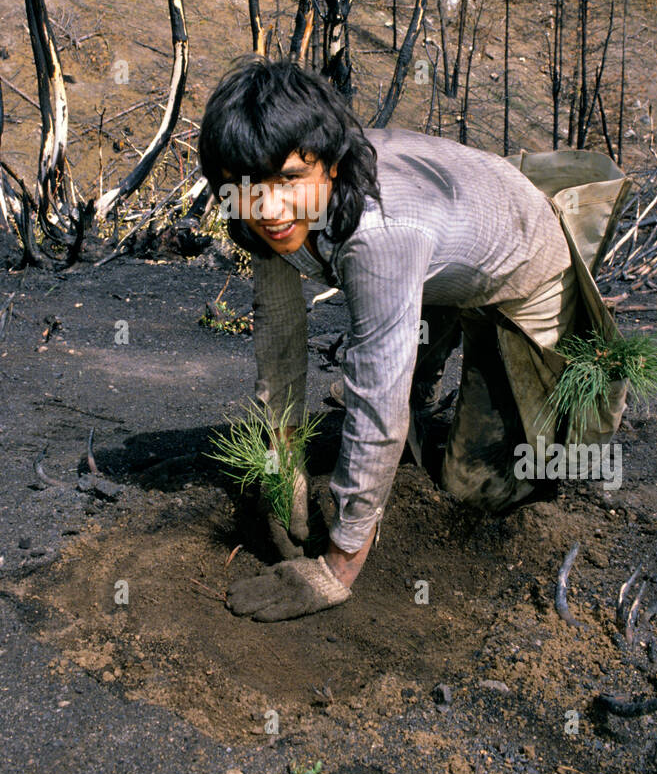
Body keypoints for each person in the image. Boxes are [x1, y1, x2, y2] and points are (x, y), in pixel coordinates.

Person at [198, 56, 628, 623]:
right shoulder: (268, 200)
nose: (270, 209)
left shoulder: (378, 233)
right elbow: (279, 330)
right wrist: (284, 465)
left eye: (290, 181)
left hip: (522, 271)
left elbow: (376, 399)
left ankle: (440, 421)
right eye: (248, 188)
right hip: (440, 259)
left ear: (328, 165)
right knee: (385, 370)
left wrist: (337, 564)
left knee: (478, 484)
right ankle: (419, 405)